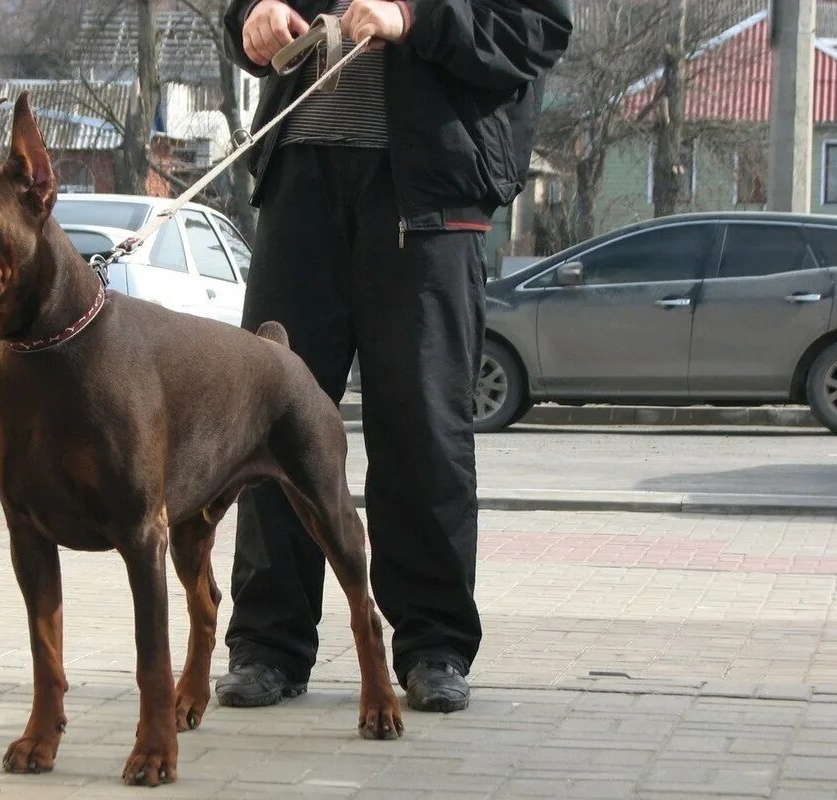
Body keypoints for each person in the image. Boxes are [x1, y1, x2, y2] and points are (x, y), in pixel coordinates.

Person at [216, 0, 572, 713]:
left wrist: (414, 18)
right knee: (272, 421)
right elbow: (242, 15)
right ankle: (268, 643)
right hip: (298, 182)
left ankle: (434, 644)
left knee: (422, 426)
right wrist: (253, 16)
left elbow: (536, 28)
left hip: (430, 191)